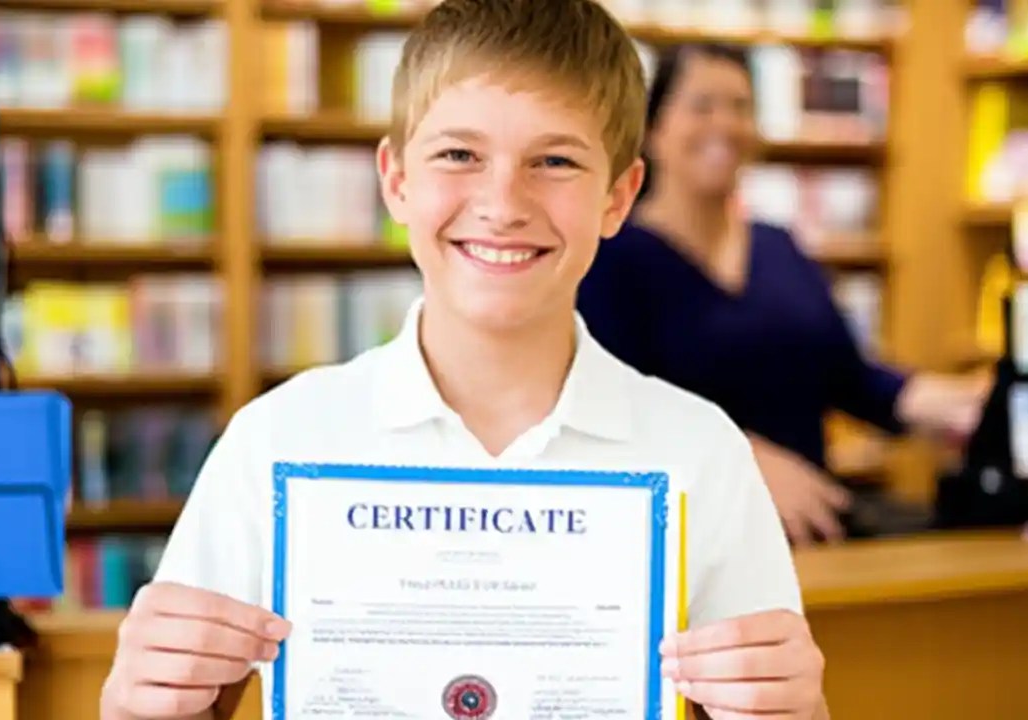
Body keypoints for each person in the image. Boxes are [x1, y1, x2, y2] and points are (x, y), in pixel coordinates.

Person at [99, 3, 829, 720]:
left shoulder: (702, 454)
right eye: (459, 155)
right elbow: (179, 700)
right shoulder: (276, 442)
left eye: (554, 161)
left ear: (618, 197)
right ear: (396, 180)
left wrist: (795, 713)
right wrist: (142, 706)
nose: (502, 202)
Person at [577, 43, 987, 547]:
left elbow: (850, 379)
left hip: (810, 534)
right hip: (687, 542)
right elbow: (610, 409)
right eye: (702, 106)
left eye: (741, 108)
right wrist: (738, 459)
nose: (724, 124)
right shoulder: (614, 259)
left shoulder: (779, 246)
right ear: (654, 130)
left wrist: (958, 401)